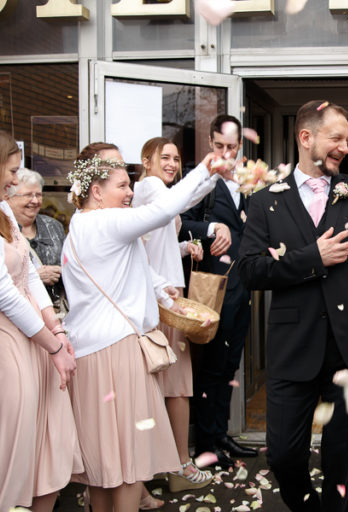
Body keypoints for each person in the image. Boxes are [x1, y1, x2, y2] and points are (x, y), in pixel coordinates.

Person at [238, 100, 348, 512]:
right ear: (307, 137)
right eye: (337, 138)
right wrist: (311, 259)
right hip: (291, 348)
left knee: (342, 459)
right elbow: (248, 271)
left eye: (347, 140)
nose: (345, 147)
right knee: (283, 455)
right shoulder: (265, 202)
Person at [61, 143, 223, 512]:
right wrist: (206, 169)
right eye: (122, 185)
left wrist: (157, 289)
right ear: (97, 192)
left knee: (101, 463)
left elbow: (123, 268)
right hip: (118, 354)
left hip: (87, 355)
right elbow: (165, 208)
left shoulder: (79, 227)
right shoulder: (106, 222)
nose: (130, 192)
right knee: (129, 463)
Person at [0, 124, 80, 512]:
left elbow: (29, 273)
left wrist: (55, 327)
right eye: (11, 171)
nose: (14, 180)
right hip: (1, 340)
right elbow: (2, 292)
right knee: (9, 443)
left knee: (46, 440)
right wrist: (55, 346)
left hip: (36, 335)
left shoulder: (0, 212)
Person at [133, 137, 215, 491]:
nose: (171, 163)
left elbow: (157, 243)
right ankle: (179, 465)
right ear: (146, 160)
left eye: (177, 159)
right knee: (177, 387)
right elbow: (183, 199)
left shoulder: (158, 195)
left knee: (165, 386)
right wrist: (210, 171)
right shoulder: (149, 187)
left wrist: (185, 246)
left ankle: (156, 467)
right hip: (162, 300)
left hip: (166, 294)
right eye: (164, 157)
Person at [181, 114, 257, 465]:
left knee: (229, 368)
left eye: (232, 146)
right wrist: (212, 227)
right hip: (213, 292)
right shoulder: (198, 183)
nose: (226, 153)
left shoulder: (247, 184)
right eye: (219, 146)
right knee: (211, 368)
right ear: (210, 145)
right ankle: (207, 446)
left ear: (240, 146)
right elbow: (178, 224)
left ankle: (223, 436)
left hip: (243, 291)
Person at [6, 167, 68, 317]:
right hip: (19, 314)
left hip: (56, 313)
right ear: (9, 197)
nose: (35, 201)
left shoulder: (53, 226)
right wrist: (33, 277)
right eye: (28, 195)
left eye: (38, 195)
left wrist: (60, 272)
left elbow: (69, 263)